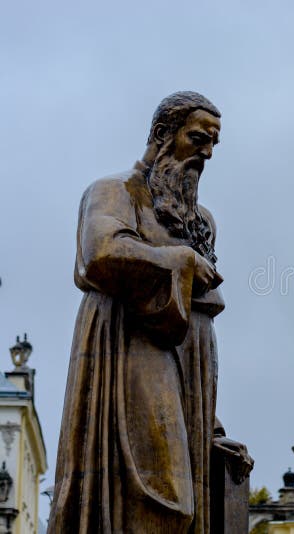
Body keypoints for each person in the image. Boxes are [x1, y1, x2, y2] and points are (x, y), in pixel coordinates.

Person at [48, 91, 251, 533]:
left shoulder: (202, 220)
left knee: (192, 496)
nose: (207, 154)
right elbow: (98, 253)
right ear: (162, 134)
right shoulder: (113, 191)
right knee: (164, 494)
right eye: (198, 138)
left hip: (192, 360)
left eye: (214, 144)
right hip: (129, 347)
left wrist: (209, 426)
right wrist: (181, 260)